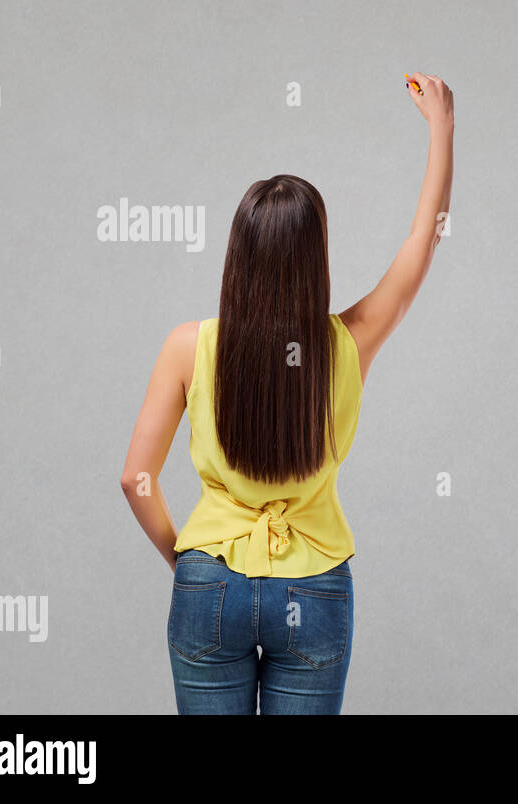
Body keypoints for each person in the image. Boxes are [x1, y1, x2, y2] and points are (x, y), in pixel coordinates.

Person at [120, 72, 454, 714]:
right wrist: (441, 129)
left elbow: (136, 478)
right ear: (316, 259)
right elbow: (423, 243)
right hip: (315, 587)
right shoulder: (349, 342)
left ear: (237, 256)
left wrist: (191, 565)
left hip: (209, 582)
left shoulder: (188, 346)